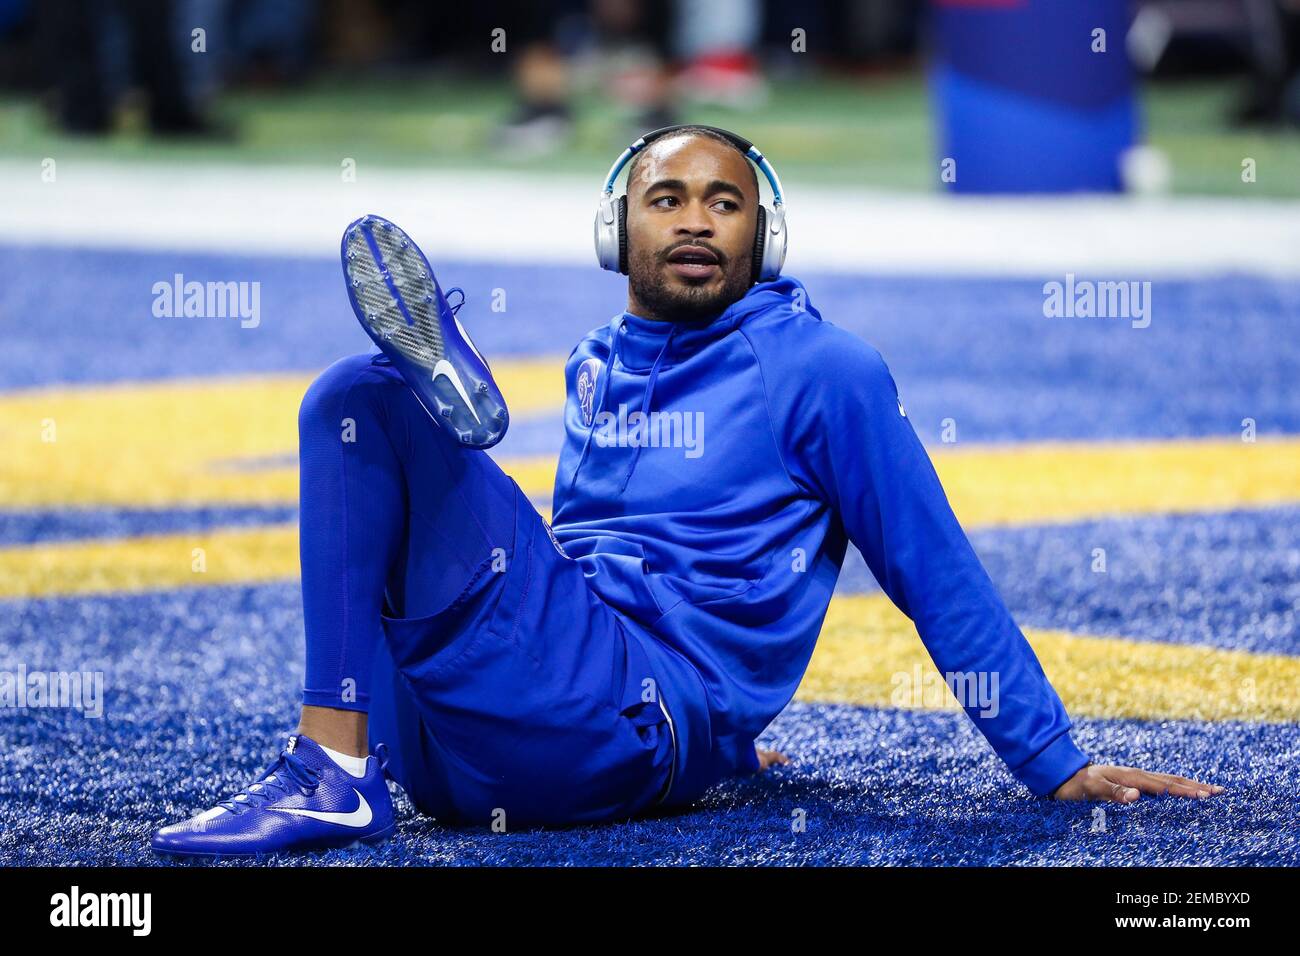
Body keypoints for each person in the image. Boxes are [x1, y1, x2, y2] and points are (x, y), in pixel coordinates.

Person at [151, 125, 1222, 857]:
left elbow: (935, 570)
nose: (699, 220)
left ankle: (330, 766)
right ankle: (348, 759)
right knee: (362, 429)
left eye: (726, 202)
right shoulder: (596, 359)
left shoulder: (825, 368)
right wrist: (726, 733)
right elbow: (607, 556)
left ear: (765, 236)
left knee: (357, 395)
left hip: (607, 726)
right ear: (621, 231)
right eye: (668, 199)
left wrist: (1052, 759)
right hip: (461, 759)